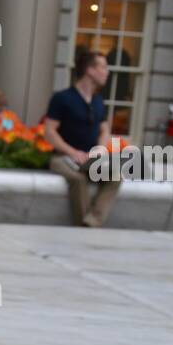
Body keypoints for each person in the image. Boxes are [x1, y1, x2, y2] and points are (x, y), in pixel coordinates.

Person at [43, 50, 118, 227]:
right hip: (62, 157)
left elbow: (104, 130)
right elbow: (49, 132)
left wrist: (99, 151)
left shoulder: (99, 101)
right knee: (78, 179)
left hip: (89, 158)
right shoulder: (62, 98)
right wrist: (72, 152)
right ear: (90, 71)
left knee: (115, 175)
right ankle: (83, 226)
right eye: (103, 67)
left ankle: (93, 220)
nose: (106, 72)